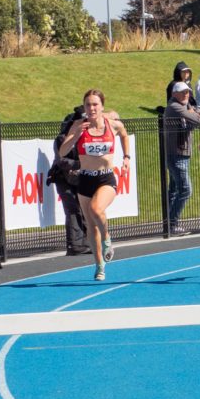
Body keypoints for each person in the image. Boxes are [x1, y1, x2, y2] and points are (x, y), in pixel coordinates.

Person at [55, 89, 132, 281]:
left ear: (102, 106)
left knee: (96, 209)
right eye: (88, 104)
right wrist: (75, 136)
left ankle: (107, 239)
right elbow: (62, 152)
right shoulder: (77, 125)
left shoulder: (112, 124)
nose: (91, 108)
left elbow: (123, 134)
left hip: (106, 178)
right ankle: (99, 266)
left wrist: (126, 157)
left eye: (95, 104)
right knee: (91, 226)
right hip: (86, 179)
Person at [47, 106, 92, 255]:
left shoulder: (86, 137)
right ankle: (74, 245)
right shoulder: (62, 139)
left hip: (79, 177)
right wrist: (81, 164)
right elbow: (62, 161)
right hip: (63, 178)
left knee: (85, 208)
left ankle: (85, 242)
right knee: (72, 209)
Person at [164, 80, 200, 235]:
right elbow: (198, 120)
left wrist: (195, 114)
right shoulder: (175, 106)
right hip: (177, 154)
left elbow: (191, 124)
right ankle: (172, 224)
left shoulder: (184, 106)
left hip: (181, 153)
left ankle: (167, 222)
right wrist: (197, 114)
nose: (186, 94)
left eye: (187, 92)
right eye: (182, 92)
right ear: (174, 94)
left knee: (174, 189)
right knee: (186, 190)